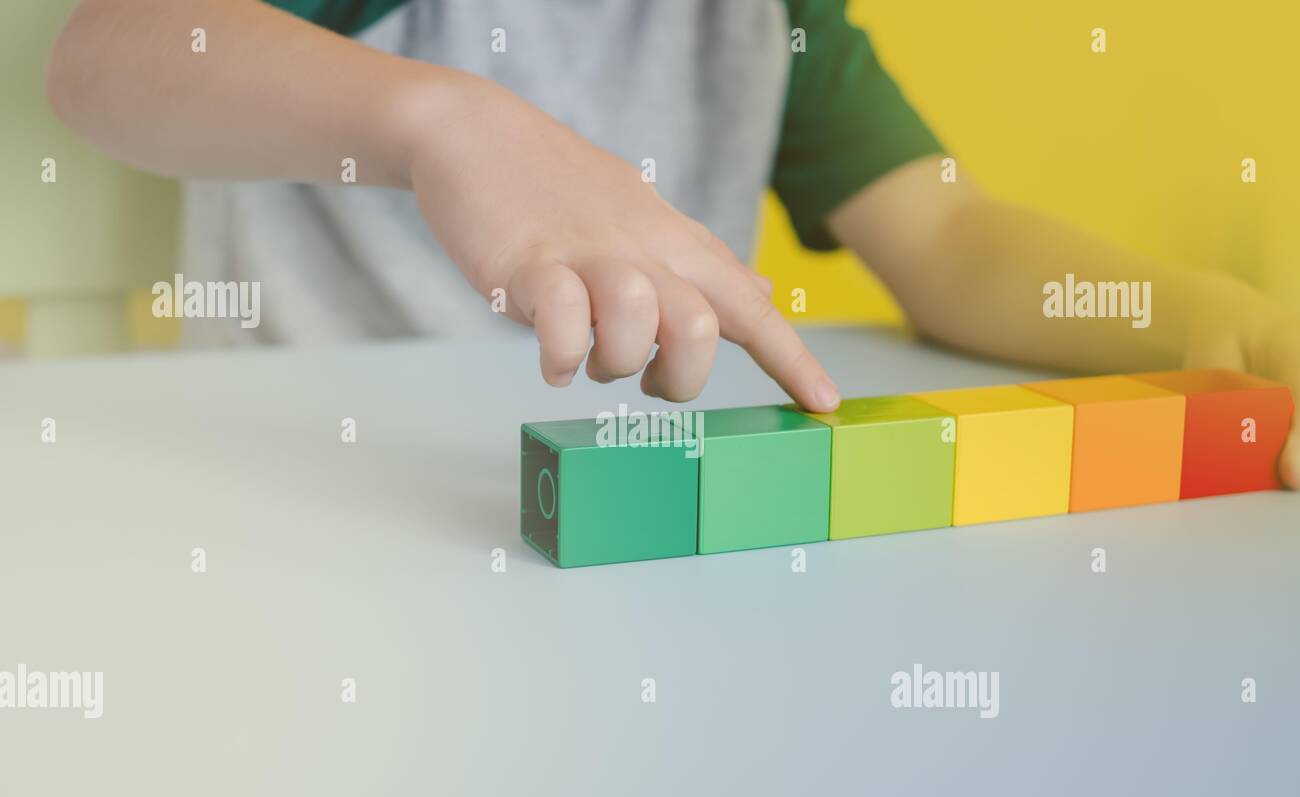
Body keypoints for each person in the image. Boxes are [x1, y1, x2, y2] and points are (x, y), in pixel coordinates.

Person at [47, 0, 1300, 484]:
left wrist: (1216, 322)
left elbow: (945, 233)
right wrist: (441, 125)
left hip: (647, 514)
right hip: (306, 491)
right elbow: (99, 57)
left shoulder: (764, 15)